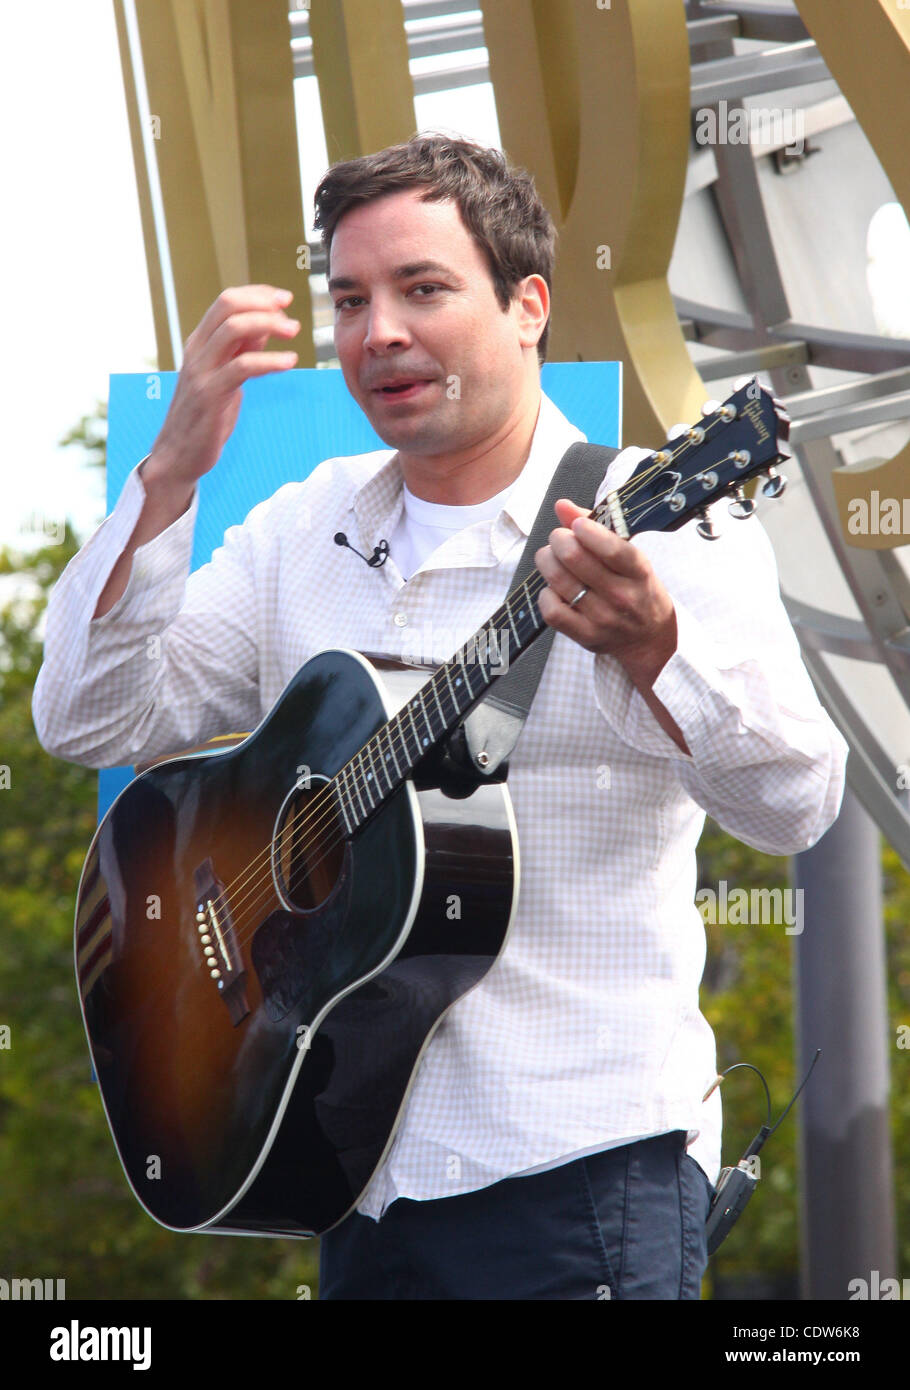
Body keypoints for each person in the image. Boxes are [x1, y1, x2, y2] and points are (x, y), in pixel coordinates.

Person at [33, 133, 847, 1300]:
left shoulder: (664, 528)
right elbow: (82, 713)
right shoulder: (300, 528)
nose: (379, 335)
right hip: (350, 1182)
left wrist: (656, 652)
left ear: (528, 305)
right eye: (350, 299)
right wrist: (168, 481)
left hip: (577, 1179)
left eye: (422, 289)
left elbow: (796, 802)